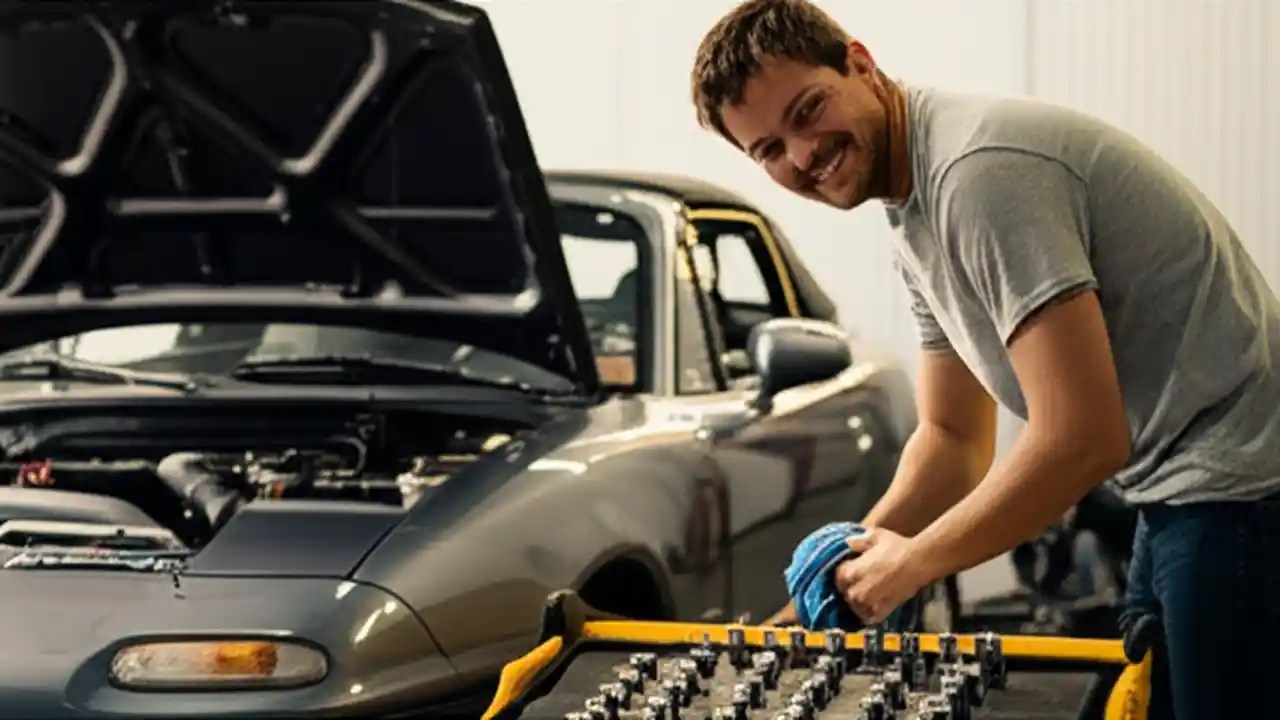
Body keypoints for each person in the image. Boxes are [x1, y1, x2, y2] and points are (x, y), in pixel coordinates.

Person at [688, 1, 1280, 718]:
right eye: (768, 151)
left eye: (808, 109)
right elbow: (953, 439)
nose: (802, 154)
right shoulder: (913, 206)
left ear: (861, 64)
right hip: (1181, 488)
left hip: (1244, 488)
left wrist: (916, 563)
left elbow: (1082, 438)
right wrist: (852, 566)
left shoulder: (977, 176)